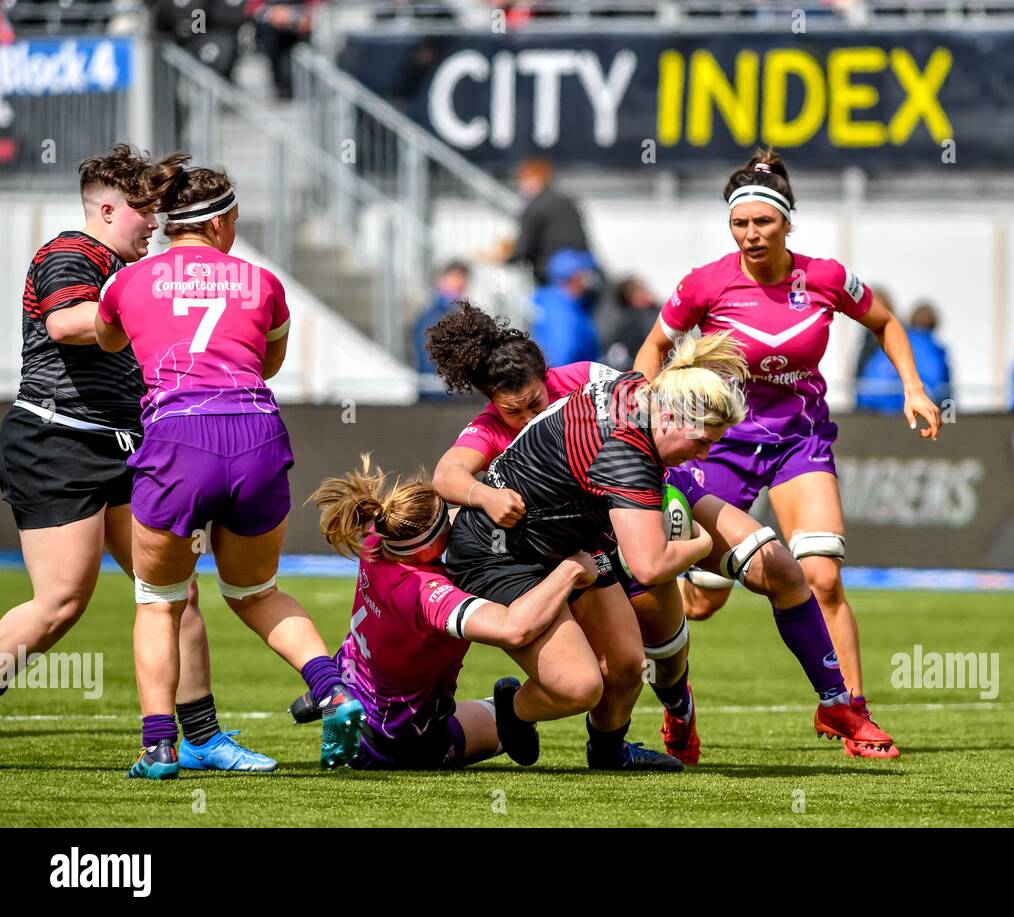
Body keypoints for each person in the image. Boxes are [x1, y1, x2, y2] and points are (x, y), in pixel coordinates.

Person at [428, 304, 899, 762]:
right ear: (493, 404)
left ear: (547, 374)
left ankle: (837, 704)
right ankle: (657, 712)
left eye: (538, 397)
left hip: (629, 497)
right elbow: (447, 476)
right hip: (556, 535)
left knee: (774, 569)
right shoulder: (503, 429)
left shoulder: (603, 383)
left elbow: (653, 430)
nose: (535, 411)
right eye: (519, 409)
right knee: (605, 671)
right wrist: (483, 496)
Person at [634, 148, 942, 754]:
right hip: (718, 447)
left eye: (764, 223)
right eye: (740, 224)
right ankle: (678, 702)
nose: (751, 234)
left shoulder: (824, 277)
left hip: (799, 442)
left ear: (788, 222)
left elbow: (884, 322)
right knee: (697, 602)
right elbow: (653, 347)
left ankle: (848, 713)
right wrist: (648, 409)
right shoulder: (704, 283)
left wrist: (913, 386)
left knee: (822, 576)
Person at [0, 145, 273, 772]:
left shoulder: (127, 270)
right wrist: (143, 302)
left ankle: (202, 738)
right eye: (142, 213)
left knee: (174, 591)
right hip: (57, 440)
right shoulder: (73, 253)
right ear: (105, 209)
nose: (153, 225)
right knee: (62, 601)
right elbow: (69, 324)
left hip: (124, 442)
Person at [94, 155, 362, 778]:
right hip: (255, 436)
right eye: (235, 219)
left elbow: (109, 341)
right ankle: (332, 691)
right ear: (217, 226)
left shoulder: (129, 282)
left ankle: (160, 747)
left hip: (176, 438)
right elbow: (267, 365)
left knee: (159, 603)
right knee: (255, 591)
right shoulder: (262, 284)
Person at [442, 333, 756, 772]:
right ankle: (513, 709)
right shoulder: (627, 454)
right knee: (580, 686)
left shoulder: (634, 390)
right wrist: (702, 543)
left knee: (628, 666)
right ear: (668, 417)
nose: (703, 455)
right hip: (498, 553)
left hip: (568, 545)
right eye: (702, 442)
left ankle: (608, 754)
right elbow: (649, 566)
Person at [301, 455, 598, 769]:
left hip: (351, 686)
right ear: (428, 548)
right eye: (448, 525)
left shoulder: (379, 538)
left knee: (495, 715)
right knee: (510, 721)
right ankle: (511, 711)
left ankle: (319, 698)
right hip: (400, 739)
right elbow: (513, 629)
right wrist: (570, 569)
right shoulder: (427, 594)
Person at [505, 158, 593, 287]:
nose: (521, 185)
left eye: (523, 180)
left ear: (534, 179)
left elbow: (522, 249)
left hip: (553, 272)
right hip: (583, 269)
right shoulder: (568, 201)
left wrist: (504, 259)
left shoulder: (534, 207)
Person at [857, 300, 951, 411]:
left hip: (872, 415)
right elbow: (944, 394)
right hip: (916, 415)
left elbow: (864, 389)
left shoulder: (889, 344)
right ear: (934, 326)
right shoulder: (935, 353)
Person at [411, 260, 470, 397]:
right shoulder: (432, 317)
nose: (459, 282)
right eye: (455, 276)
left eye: (463, 277)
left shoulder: (458, 313)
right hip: (437, 397)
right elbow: (429, 361)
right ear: (441, 280)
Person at [531, 249, 600, 366]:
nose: (587, 282)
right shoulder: (563, 310)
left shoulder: (546, 298)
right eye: (584, 276)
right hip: (567, 379)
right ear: (574, 278)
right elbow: (561, 354)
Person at [598, 276, 660, 371]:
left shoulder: (656, 311)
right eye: (638, 291)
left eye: (642, 289)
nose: (644, 293)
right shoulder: (630, 323)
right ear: (629, 298)